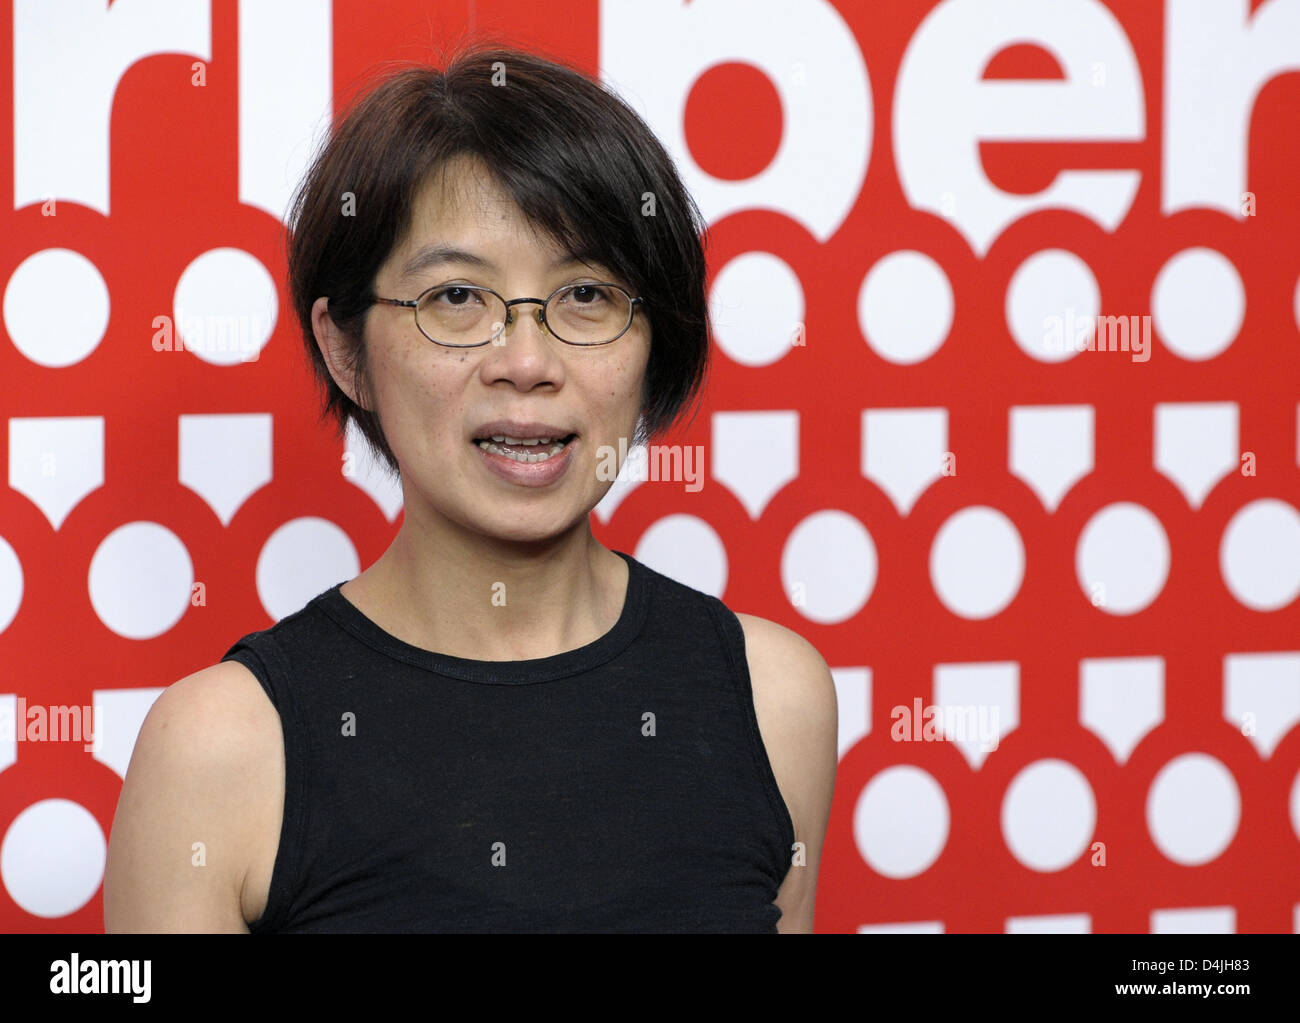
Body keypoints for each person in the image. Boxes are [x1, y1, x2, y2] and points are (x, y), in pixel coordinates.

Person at [103, 42, 837, 933]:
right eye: (456, 298)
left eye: (588, 295)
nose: (527, 361)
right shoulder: (222, 748)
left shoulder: (771, 696)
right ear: (345, 349)